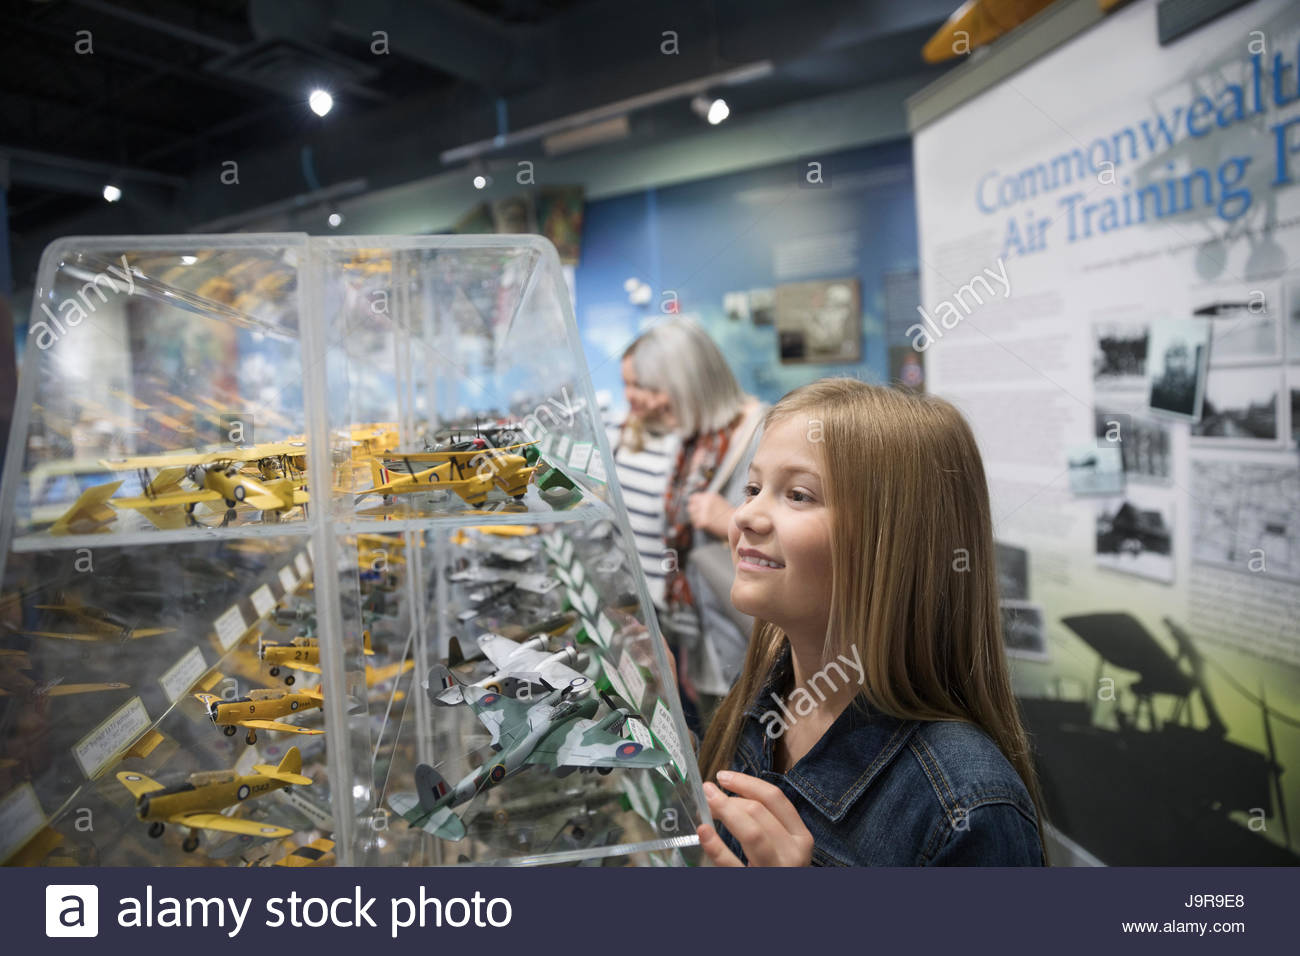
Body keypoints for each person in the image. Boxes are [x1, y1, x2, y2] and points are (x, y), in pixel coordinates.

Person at [691, 378, 1048, 866]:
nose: (746, 516)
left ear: (896, 544)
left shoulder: (966, 804)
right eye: (752, 488)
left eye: (797, 495)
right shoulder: (763, 691)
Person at [624, 318, 764, 726]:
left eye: (651, 388)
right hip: (705, 649)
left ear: (689, 381)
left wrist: (733, 521)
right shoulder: (696, 438)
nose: (643, 402)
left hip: (750, 653)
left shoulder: (763, 433)